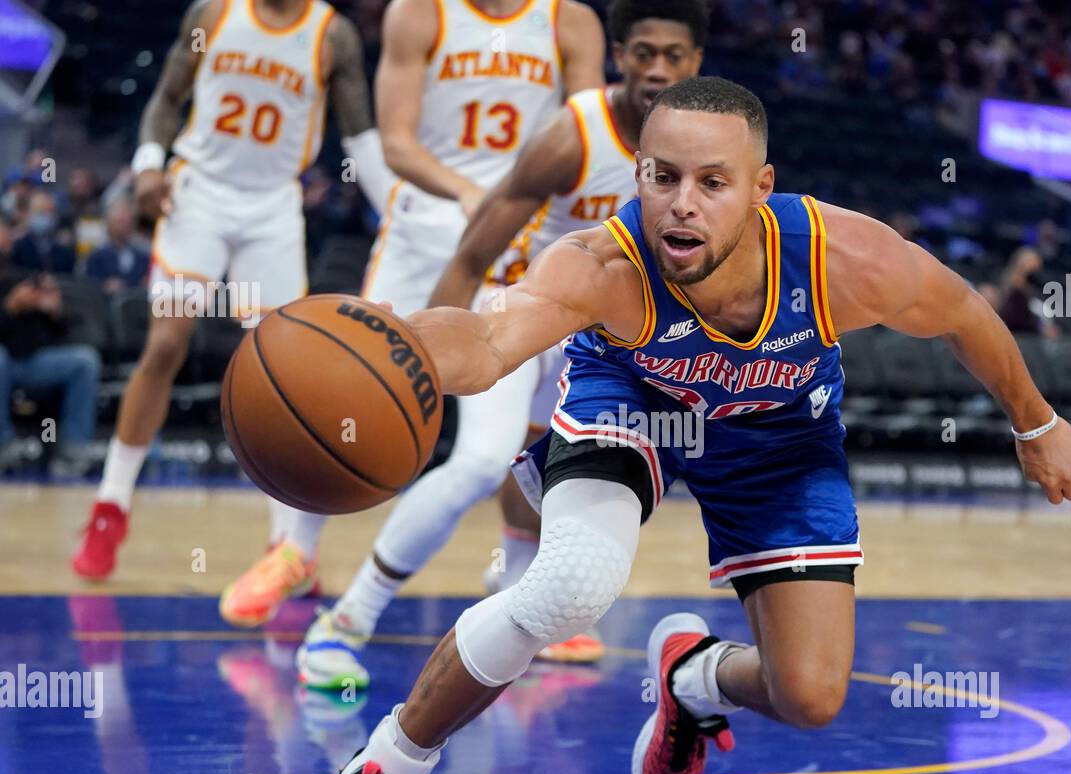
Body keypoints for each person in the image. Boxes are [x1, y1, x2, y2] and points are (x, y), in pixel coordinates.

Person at [297, 77, 1071, 774]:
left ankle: (693, 681)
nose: (682, 202)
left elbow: (960, 312)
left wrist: (1036, 420)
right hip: (634, 399)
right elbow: (487, 340)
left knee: (811, 696)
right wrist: (392, 344)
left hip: (777, 432)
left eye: (712, 183)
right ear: (636, 171)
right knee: (572, 582)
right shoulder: (603, 264)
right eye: (663, 176)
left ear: (759, 188)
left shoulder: (840, 257)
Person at [297, 0, 708, 689]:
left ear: (697, 64)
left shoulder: (704, 150)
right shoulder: (574, 134)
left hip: (593, 326)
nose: (657, 71)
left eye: (673, 57)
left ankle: (521, 607)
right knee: (483, 459)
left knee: (541, 465)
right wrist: (423, 357)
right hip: (516, 301)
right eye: (643, 54)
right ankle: (345, 621)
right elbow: (473, 248)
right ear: (619, 56)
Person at [221, 0, 608, 628]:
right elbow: (396, 142)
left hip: (508, 249)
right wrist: (463, 190)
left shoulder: (567, 21)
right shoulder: (422, 13)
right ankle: (296, 552)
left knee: (492, 453)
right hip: (420, 236)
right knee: (333, 394)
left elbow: (593, 135)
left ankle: (512, 579)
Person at [70, 0, 395, 582]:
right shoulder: (214, 13)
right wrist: (148, 165)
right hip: (199, 195)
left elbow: (362, 139)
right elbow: (168, 98)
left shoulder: (332, 35)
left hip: (272, 208)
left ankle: (284, 546)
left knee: (280, 374)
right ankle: (110, 506)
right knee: (166, 345)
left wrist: (396, 207)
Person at [0, 250, 101, 476]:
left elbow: (60, 336)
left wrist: (54, 312)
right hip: (5, 363)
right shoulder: (12, 294)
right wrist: (10, 308)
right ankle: (3, 445)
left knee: (85, 361)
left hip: (35, 362)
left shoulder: (22, 281)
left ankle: (73, 451)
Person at [84, 199, 150, 295]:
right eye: (121, 221)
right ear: (109, 224)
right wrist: (104, 286)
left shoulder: (144, 256)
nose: (125, 225)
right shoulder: (96, 257)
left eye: (129, 221)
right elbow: (89, 285)